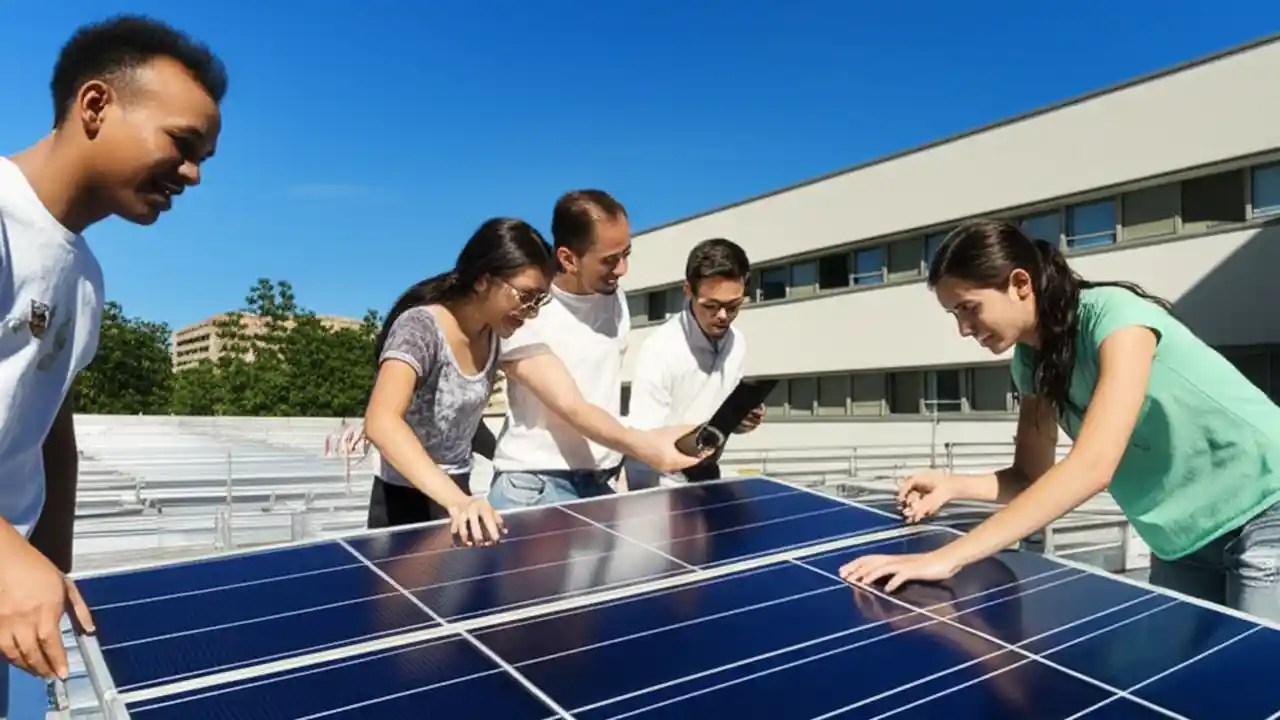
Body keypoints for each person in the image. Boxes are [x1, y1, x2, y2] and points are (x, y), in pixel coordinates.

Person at [839, 219, 1280, 623]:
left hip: (1266, 505)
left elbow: (1093, 466)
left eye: (970, 307)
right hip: (1181, 538)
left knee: (1259, 677)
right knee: (1196, 689)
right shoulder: (1030, 364)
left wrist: (950, 556)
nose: (964, 328)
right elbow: (1030, 476)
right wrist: (955, 485)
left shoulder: (1116, 318)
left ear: (1020, 283)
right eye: (955, 314)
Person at [0, 13, 226, 706]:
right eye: (182, 144)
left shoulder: (86, 276)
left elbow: (50, 424)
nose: (190, 174)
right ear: (95, 104)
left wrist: (50, 561)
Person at [487, 190, 705, 509]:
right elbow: (574, 407)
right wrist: (645, 447)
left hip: (598, 483)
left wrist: (678, 431)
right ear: (567, 258)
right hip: (534, 486)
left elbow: (602, 397)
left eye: (626, 253)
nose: (622, 269)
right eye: (610, 260)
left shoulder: (615, 298)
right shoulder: (524, 309)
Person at [363, 218, 556, 545]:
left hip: (457, 492)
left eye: (539, 301)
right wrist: (457, 500)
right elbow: (381, 422)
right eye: (525, 296)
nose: (530, 312)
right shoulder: (420, 329)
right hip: (402, 500)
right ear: (483, 280)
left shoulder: (494, 334)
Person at [625, 237, 763, 489]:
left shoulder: (737, 343)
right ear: (688, 290)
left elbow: (720, 420)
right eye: (711, 305)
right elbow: (644, 439)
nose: (723, 316)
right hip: (662, 481)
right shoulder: (660, 349)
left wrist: (740, 420)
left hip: (708, 473)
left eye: (733, 306)